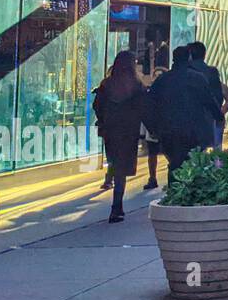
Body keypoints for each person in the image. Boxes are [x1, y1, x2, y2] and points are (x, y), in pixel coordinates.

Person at [93, 51, 156, 223]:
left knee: (114, 163)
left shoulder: (107, 84)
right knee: (121, 168)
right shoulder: (136, 85)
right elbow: (144, 109)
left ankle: (116, 201)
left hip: (110, 131)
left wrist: (103, 119)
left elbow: (97, 105)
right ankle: (117, 205)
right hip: (128, 131)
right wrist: (153, 129)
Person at [148, 45, 220, 179]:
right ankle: (189, 195)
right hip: (194, 131)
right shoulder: (197, 78)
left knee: (175, 164)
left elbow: (149, 104)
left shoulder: (162, 80)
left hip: (169, 131)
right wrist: (218, 117)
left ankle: (174, 192)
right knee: (194, 164)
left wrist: (153, 128)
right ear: (189, 58)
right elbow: (209, 101)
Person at [187, 41, 228, 149]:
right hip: (214, 118)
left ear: (190, 55)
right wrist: (220, 112)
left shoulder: (187, 72)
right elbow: (224, 96)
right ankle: (217, 166)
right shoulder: (212, 72)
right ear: (204, 54)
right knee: (216, 151)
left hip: (192, 120)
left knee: (195, 153)